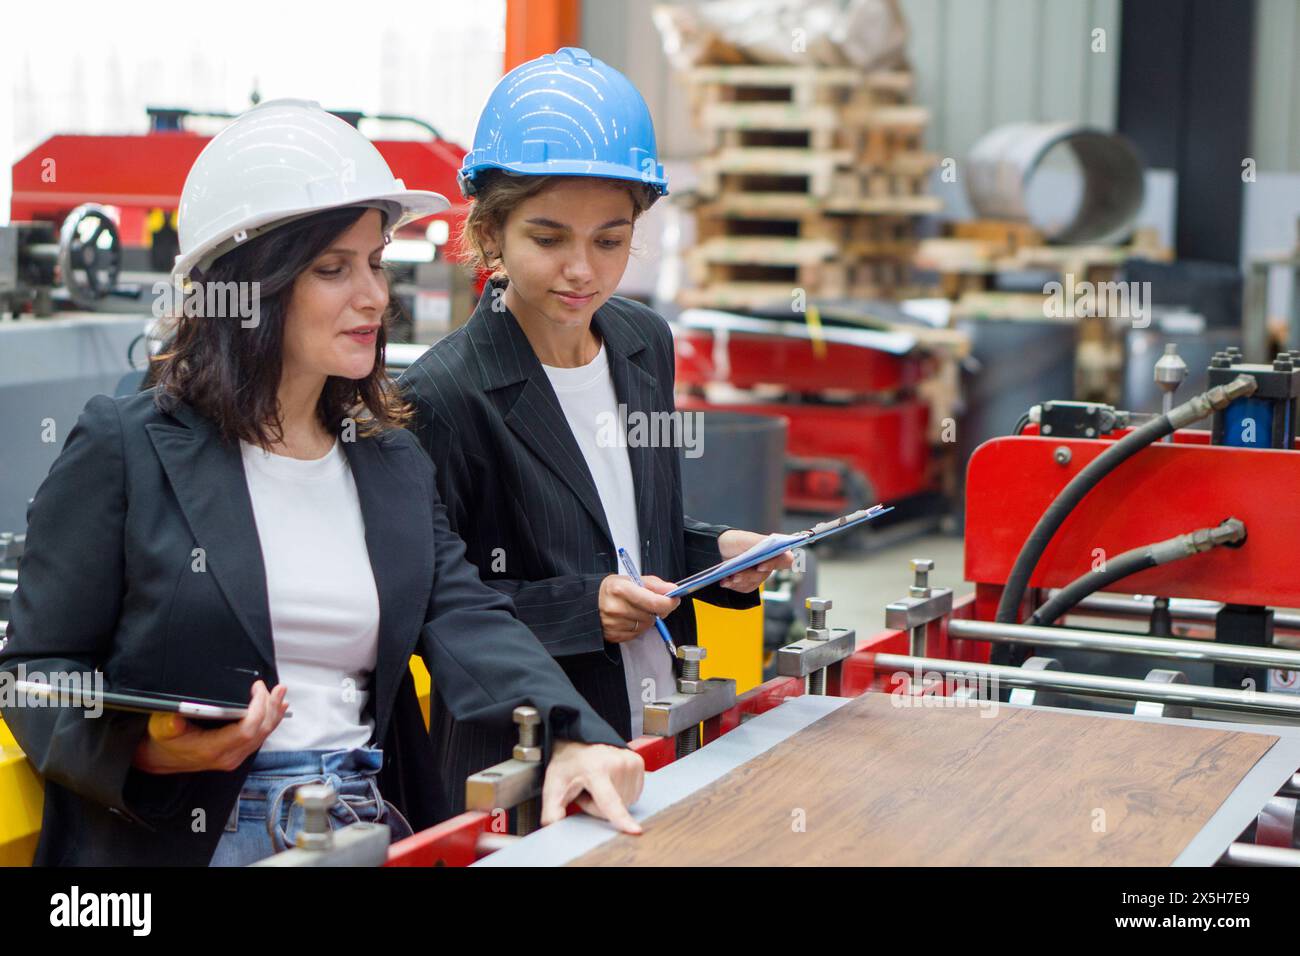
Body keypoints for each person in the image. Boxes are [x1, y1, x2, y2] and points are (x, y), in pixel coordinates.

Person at [0, 99, 643, 867]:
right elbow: (36, 672)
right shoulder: (128, 447)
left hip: (364, 823)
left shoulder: (389, 459)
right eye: (333, 269)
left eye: (376, 262)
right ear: (252, 289)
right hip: (189, 839)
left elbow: (468, 616)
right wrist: (144, 751)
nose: (374, 296)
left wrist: (569, 736)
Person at [399, 49, 791, 815]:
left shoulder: (643, 343)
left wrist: (714, 555)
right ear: (489, 233)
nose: (582, 270)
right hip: (527, 758)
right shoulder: (443, 395)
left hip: (656, 724)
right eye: (549, 239)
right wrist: (584, 610)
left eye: (609, 241)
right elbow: (433, 611)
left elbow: (628, 533)